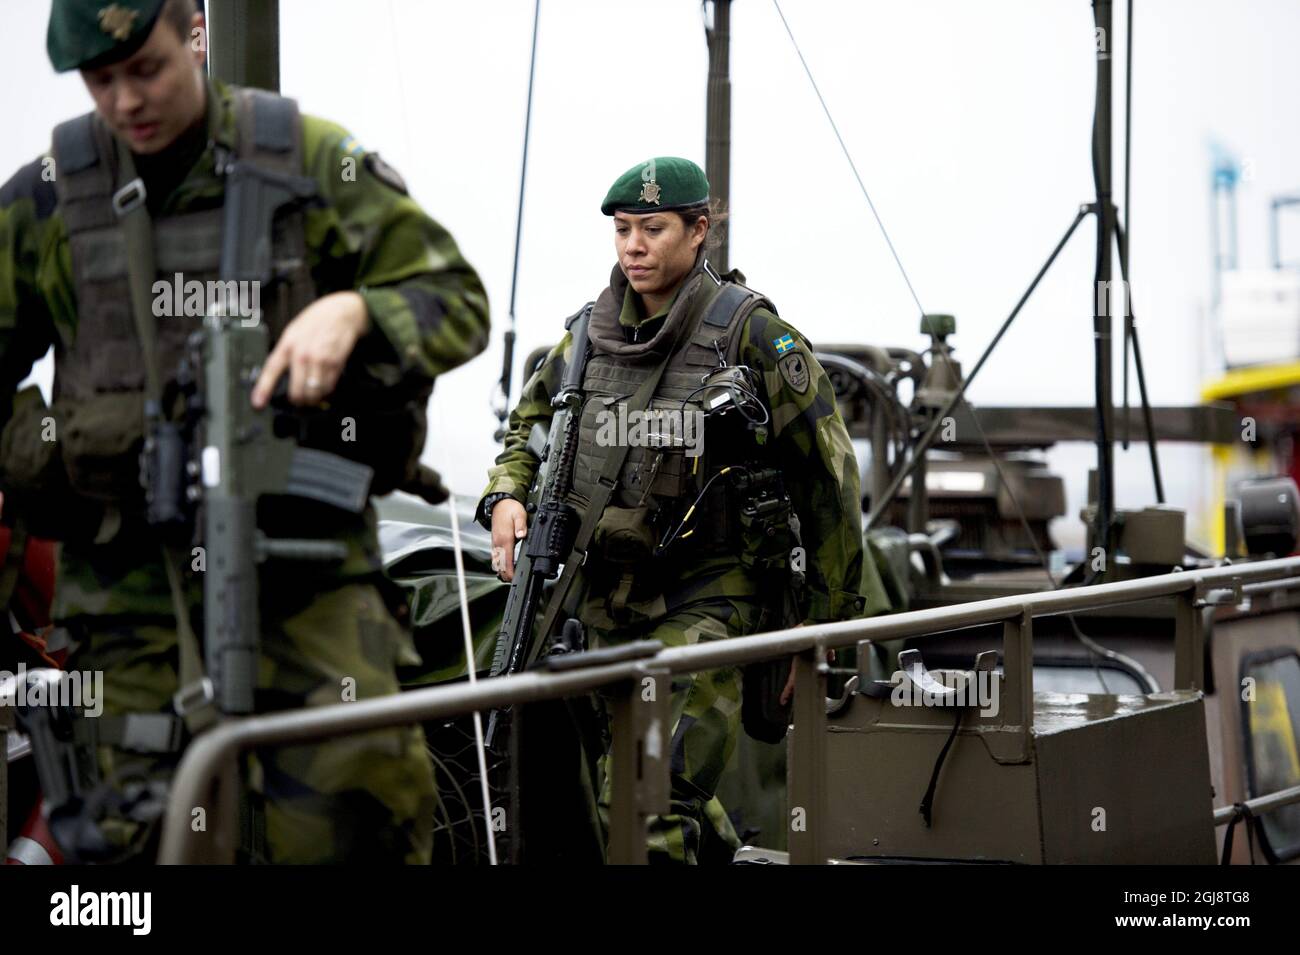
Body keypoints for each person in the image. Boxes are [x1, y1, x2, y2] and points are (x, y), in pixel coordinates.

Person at [0, 0, 490, 863]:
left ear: (192, 31)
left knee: (357, 810)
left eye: (145, 69)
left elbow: (455, 298)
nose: (126, 102)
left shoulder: (307, 160)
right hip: (126, 598)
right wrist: (39, 456)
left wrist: (355, 312)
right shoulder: (48, 197)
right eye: (100, 81)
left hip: (307, 582)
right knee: (126, 848)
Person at [479, 156, 866, 864]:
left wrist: (825, 619)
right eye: (623, 230)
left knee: (643, 799)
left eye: (652, 228)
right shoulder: (585, 336)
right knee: (631, 790)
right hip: (602, 600)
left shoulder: (756, 337)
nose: (633, 246)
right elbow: (528, 425)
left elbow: (829, 475)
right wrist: (506, 492)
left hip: (710, 592)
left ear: (699, 230)